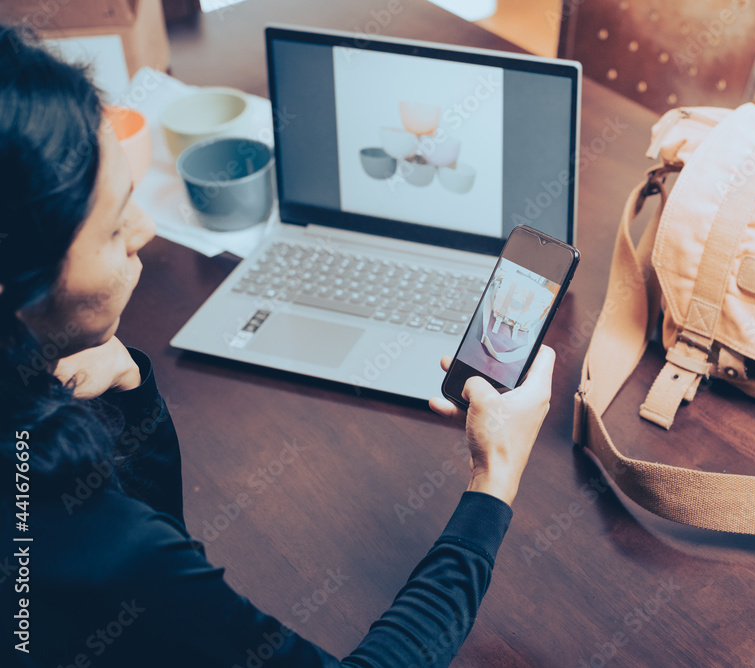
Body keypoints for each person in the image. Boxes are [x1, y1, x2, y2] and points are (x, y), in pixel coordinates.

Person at [0, 26, 554, 667]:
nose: (144, 230)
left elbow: (158, 584)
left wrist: (131, 396)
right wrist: (494, 481)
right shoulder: (93, 548)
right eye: (113, 220)